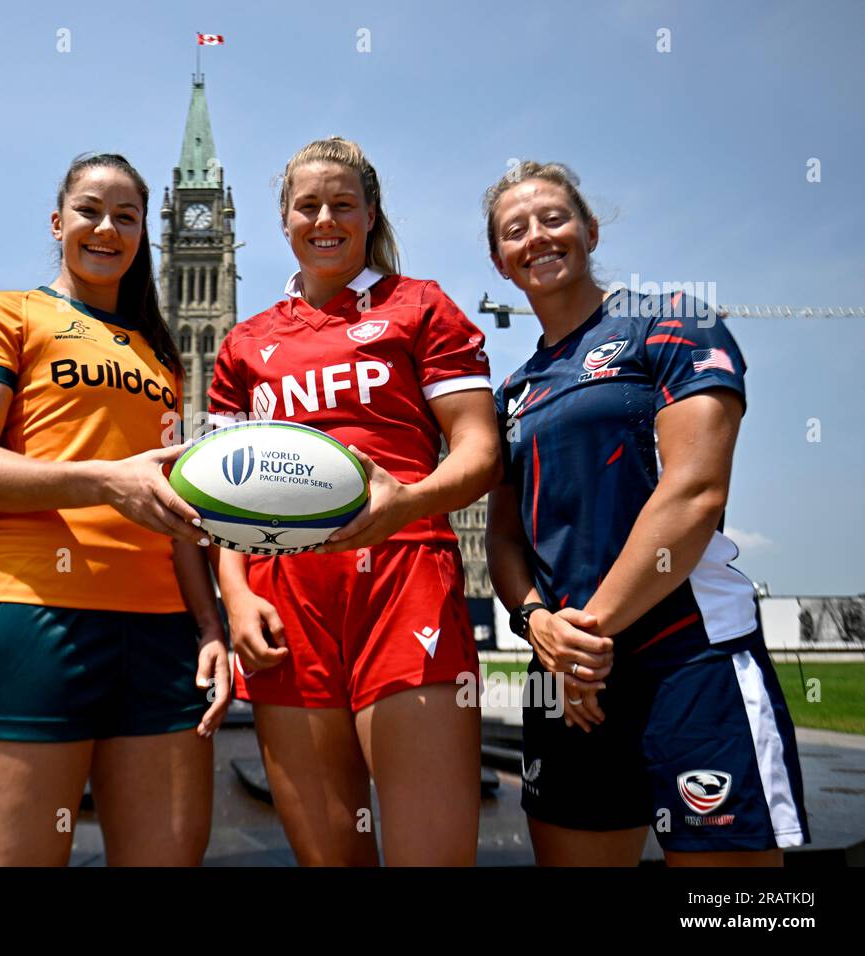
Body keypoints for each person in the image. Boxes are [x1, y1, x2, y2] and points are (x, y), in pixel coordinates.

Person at [482, 161, 809, 866]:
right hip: (564, 671)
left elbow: (693, 494)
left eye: (554, 218)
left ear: (590, 229)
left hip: (687, 656)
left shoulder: (671, 320)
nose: (537, 236)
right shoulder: (513, 392)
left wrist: (585, 639)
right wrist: (542, 627)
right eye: (515, 231)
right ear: (500, 261)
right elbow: (504, 538)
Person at [207, 137, 501, 866]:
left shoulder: (421, 306)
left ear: (370, 214)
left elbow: (479, 451)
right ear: (284, 221)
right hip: (285, 596)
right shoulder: (245, 343)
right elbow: (222, 497)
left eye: (344, 203)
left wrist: (408, 502)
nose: (325, 218)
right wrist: (235, 594)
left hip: (405, 577)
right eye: (308, 205)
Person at [0, 153, 231, 867]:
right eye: (91, 210)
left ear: (144, 232)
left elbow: (175, 512)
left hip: (161, 636)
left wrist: (209, 627)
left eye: (125, 216)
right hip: (33, 616)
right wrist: (102, 481)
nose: (107, 228)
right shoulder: (6, 313)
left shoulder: (163, 358)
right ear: (58, 220)